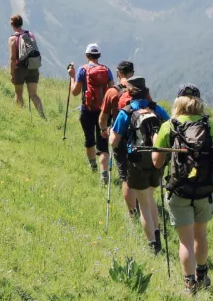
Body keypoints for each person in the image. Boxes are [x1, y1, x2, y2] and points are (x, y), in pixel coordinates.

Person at [151, 84, 213, 296]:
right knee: (200, 235)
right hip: (205, 190)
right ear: (199, 102)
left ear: (178, 102)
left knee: (185, 240)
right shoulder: (210, 126)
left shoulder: (169, 125)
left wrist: (157, 144)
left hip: (179, 190)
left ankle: (189, 284)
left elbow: (157, 163)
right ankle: (202, 276)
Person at [109, 76, 170, 254]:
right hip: (157, 161)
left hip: (137, 163)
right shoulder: (156, 109)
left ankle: (153, 245)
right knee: (150, 198)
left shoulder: (126, 112)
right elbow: (170, 127)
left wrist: (110, 133)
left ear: (129, 92)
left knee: (143, 205)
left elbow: (114, 141)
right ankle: (157, 235)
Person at [67, 44, 113, 182]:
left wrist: (72, 76)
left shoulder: (82, 70)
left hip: (87, 110)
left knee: (89, 139)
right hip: (104, 112)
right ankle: (104, 175)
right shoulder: (107, 70)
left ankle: (93, 167)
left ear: (87, 55)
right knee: (103, 143)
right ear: (99, 55)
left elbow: (75, 92)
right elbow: (112, 91)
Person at [100, 61, 138, 217]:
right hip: (140, 138)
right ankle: (143, 205)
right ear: (132, 73)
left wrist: (104, 130)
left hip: (120, 137)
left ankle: (133, 214)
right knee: (138, 172)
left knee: (126, 177)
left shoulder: (112, 92)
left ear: (118, 73)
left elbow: (103, 117)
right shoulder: (141, 90)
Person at [8, 15, 45, 118]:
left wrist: (12, 74)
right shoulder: (30, 34)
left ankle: (19, 116)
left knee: (18, 93)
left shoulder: (12, 39)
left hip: (20, 68)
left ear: (12, 24)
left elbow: (13, 58)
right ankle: (42, 116)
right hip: (33, 66)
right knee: (33, 94)